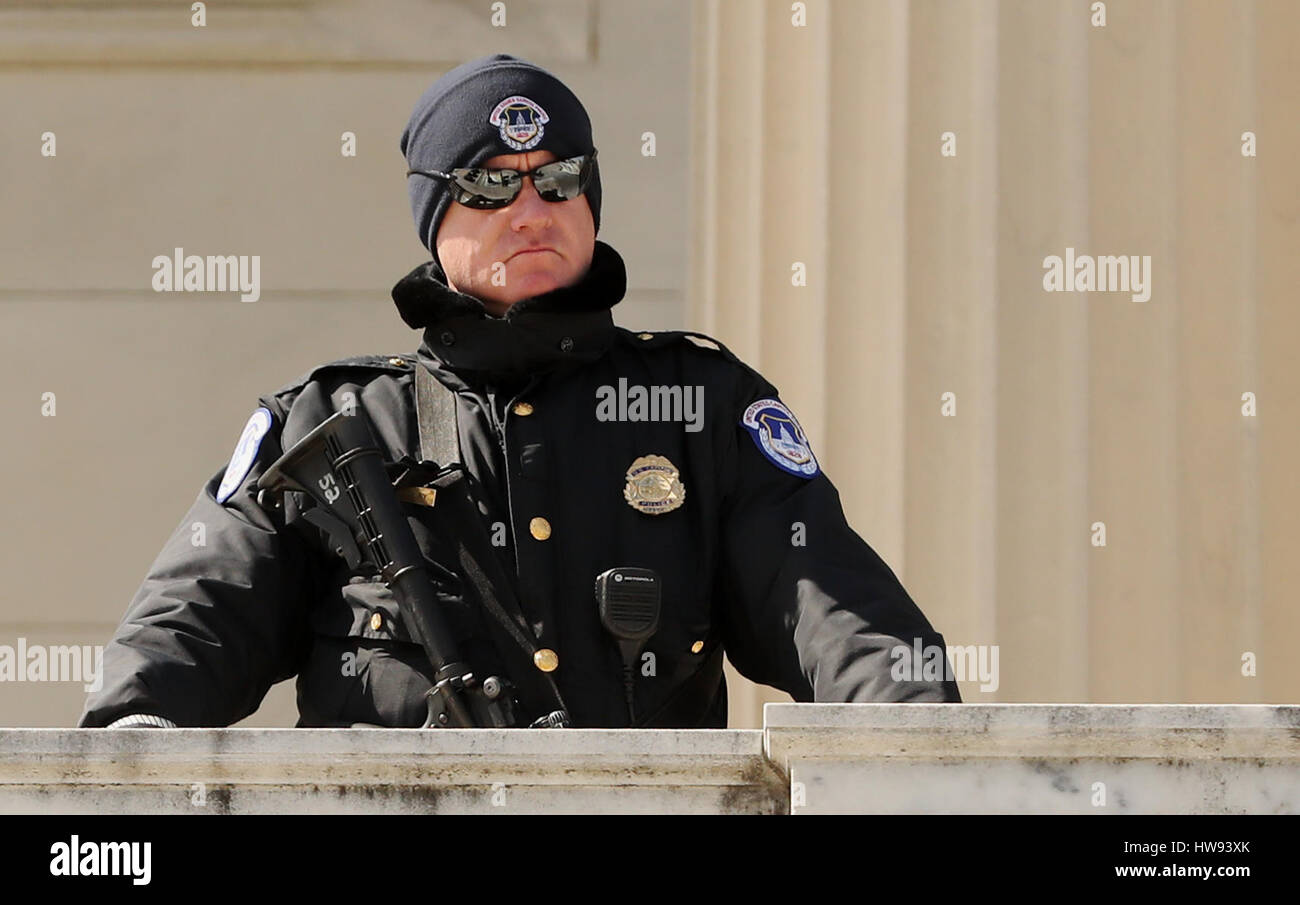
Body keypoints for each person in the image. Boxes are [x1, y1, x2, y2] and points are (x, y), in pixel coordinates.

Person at [80, 54, 960, 730]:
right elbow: (189, 626)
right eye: (491, 183)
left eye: (560, 176)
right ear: (435, 218)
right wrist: (130, 748)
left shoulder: (704, 405)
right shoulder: (332, 424)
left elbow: (836, 611)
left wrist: (922, 745)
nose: (532, 206)